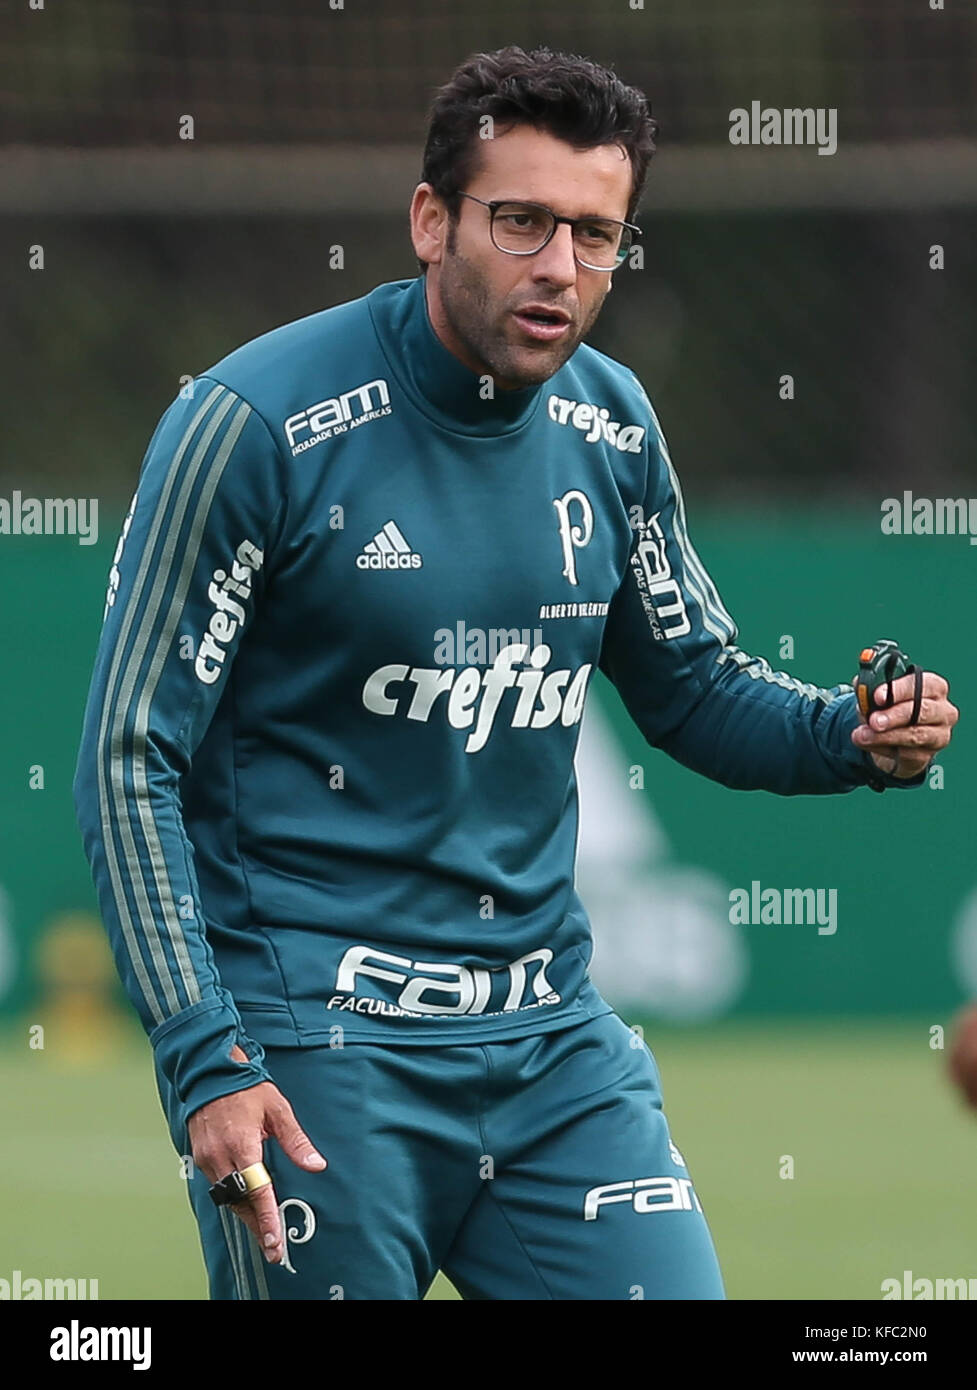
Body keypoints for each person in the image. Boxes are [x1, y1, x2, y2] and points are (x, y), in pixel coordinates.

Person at [73, 45, 957, 1301]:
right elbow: (127, 757)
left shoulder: (611, 422)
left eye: (597, 235)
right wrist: (207, 1056)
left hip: (552, 1042)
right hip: (317, 1046)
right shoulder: (252, 427)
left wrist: (847, 737)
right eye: (523, 221)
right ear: (431, 220)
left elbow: (692, 687)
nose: (559, 267)